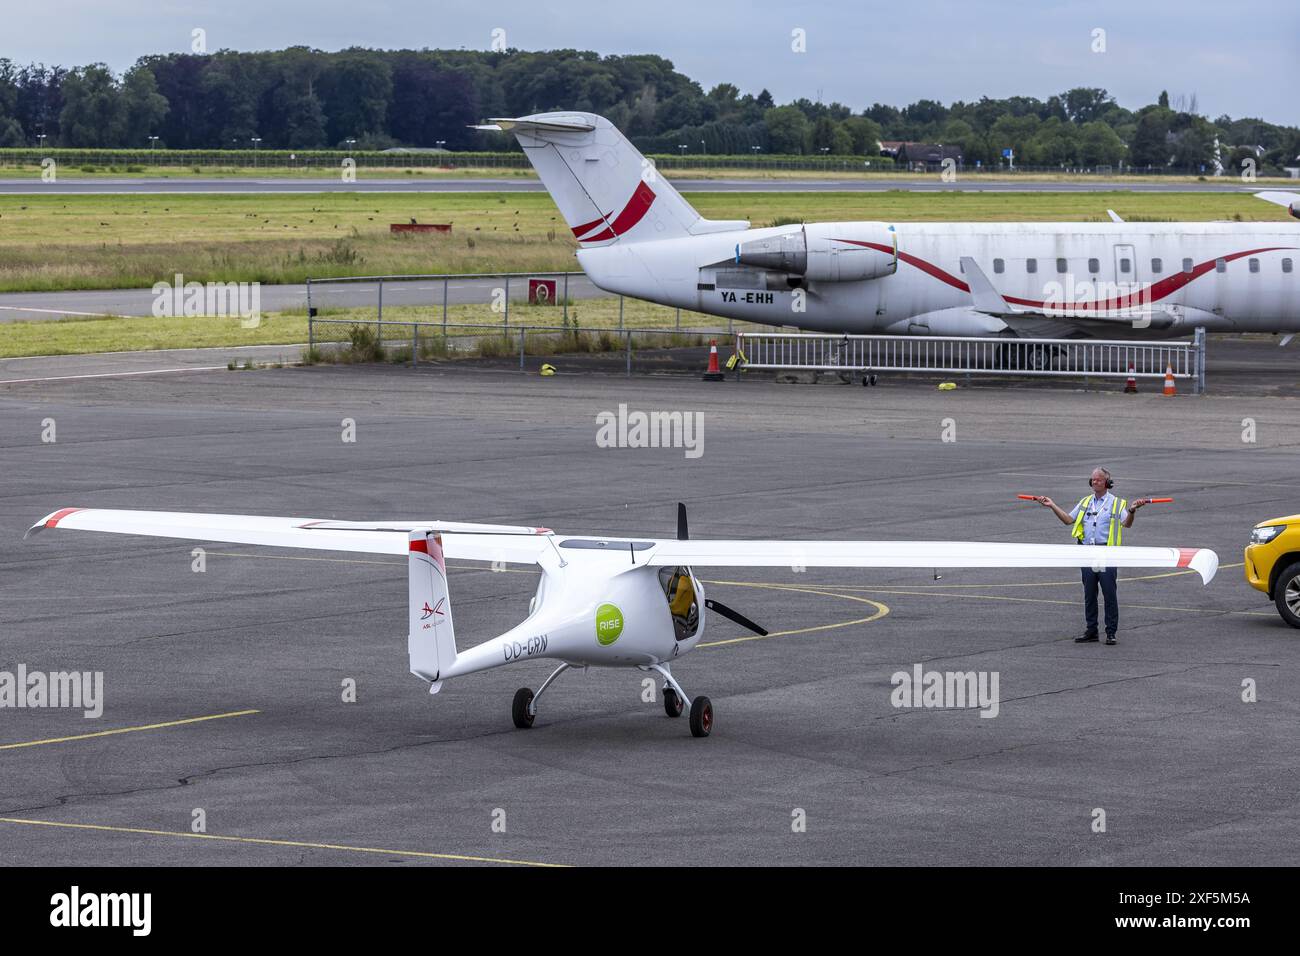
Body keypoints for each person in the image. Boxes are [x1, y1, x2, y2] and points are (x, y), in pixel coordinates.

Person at [1033, 468, 1152, 645]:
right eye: (1092, 480)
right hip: (1087, 552)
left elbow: (1126, 524)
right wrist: (1052, 505)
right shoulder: (1086, 502)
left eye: (1098, 480)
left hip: (1106, 552)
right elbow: (1068, 520)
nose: (1094, 482)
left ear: (1107, 483)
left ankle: (1111, 632)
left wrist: (1133, 510)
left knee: (1109, 592)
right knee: (1089, 592)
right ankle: (1091, 630)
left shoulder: (1117, 503)